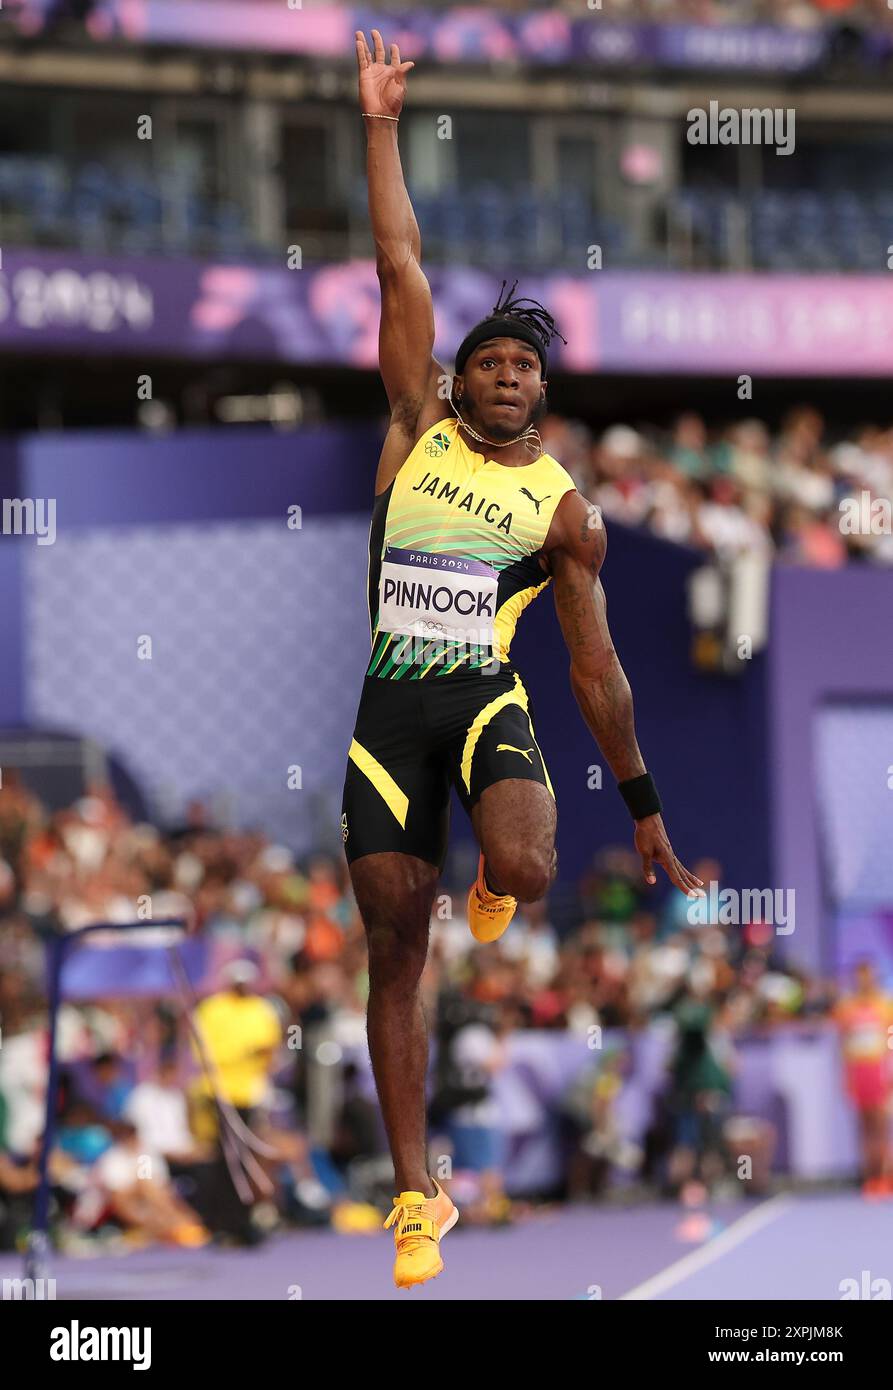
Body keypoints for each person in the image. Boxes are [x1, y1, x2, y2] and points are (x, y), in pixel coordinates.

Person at [342, 28, 704, 1290]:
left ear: (541, 396)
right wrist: (381, 123)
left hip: (482, 697)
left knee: (526, 869)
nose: (502, 375)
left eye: (522, 367)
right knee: (394, 944)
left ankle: (492, 887)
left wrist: (646, 806)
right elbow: (398, 257)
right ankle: (410, 1197)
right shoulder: (410, 427)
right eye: (485, 362)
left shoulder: (564, 515)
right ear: (456, 383)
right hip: (390, 707)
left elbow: (596, 674)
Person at [834, 960, 893, 1199]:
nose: (865, 981)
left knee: (880, 1127)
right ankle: (868, 1177)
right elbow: (843, 1046)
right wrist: (846, 1076)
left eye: (869, 976)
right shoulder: (846, 1008)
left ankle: (883, 1176)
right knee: (864, 1127)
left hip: (879, 1070)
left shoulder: (885, 1005)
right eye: (861, 976)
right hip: (858, 1073)